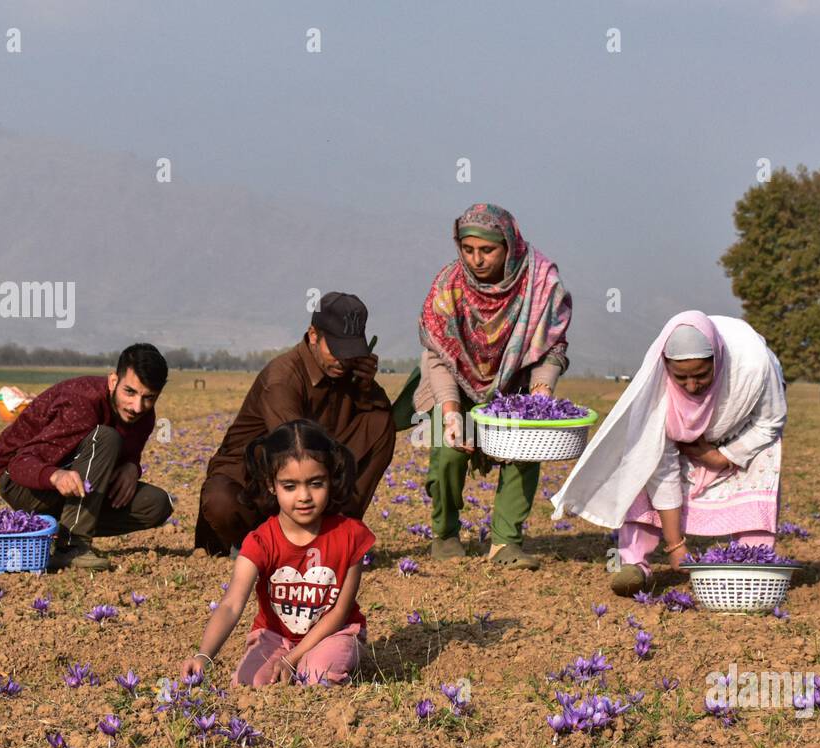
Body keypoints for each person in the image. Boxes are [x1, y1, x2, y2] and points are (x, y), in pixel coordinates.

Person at [553, 311, 787, 596]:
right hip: (685, 442)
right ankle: (635, 564)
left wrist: (721, 457)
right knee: (643, 461)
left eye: (702, 374)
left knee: (762, 461)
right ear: (666, 366)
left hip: (742, 429)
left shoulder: (753, 365)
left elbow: (770, 421)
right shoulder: (658, 391)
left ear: (718, 358)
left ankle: (751, 564)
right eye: (681, 377)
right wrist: (676, 546)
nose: (691, 386)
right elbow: (662, 472)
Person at [404, 202, 572, 570]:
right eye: (468, 250)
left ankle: (505, 542)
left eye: (487, 250)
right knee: (448, 451)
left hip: (517, 386)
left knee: (523, 449)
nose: (476, 260)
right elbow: (438, 355)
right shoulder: (448, 286)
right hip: (452, 383)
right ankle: (445, 534)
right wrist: (450, 411)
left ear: (509, 245)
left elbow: (551, 347)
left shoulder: (540, 283)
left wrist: (541, 391)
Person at [194, 292, 395, 556]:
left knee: (380, 420)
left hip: (309, 480)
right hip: (258, 484)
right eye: (336, 350)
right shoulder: (283, 379)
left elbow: (374, 421)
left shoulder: (347, 370)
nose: (344, 361)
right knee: (223, 501)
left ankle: (337, 529)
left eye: (352, 352)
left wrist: (367, 388)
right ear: (313, 335)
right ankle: (260, 543)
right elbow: (294, 452)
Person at [180, 420, 375, 687]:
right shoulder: (260, 541)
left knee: (316, 675)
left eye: (315, 483)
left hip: (333, 633)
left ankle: (328, 661)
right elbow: (231, 604)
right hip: (275, 635)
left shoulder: (350, 535)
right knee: (248, 683)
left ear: (330, 479)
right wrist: (204, 655)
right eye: (290, 486)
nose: (304, 496)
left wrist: (293, 657)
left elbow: (339, 612)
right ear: (272, 485)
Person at [0, 343, 173, 571]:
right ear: (113, 381)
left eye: (149, 397)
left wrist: (132, 467)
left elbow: (128, 455)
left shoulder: (144, 415)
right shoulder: (82, 403)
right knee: (106, 438)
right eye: (130, 392)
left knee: (156, 504)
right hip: (20, 482)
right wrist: (55, 476)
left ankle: (56, 527)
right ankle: (71, 546)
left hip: (74, 485)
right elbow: (19, 463)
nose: (137, 406)